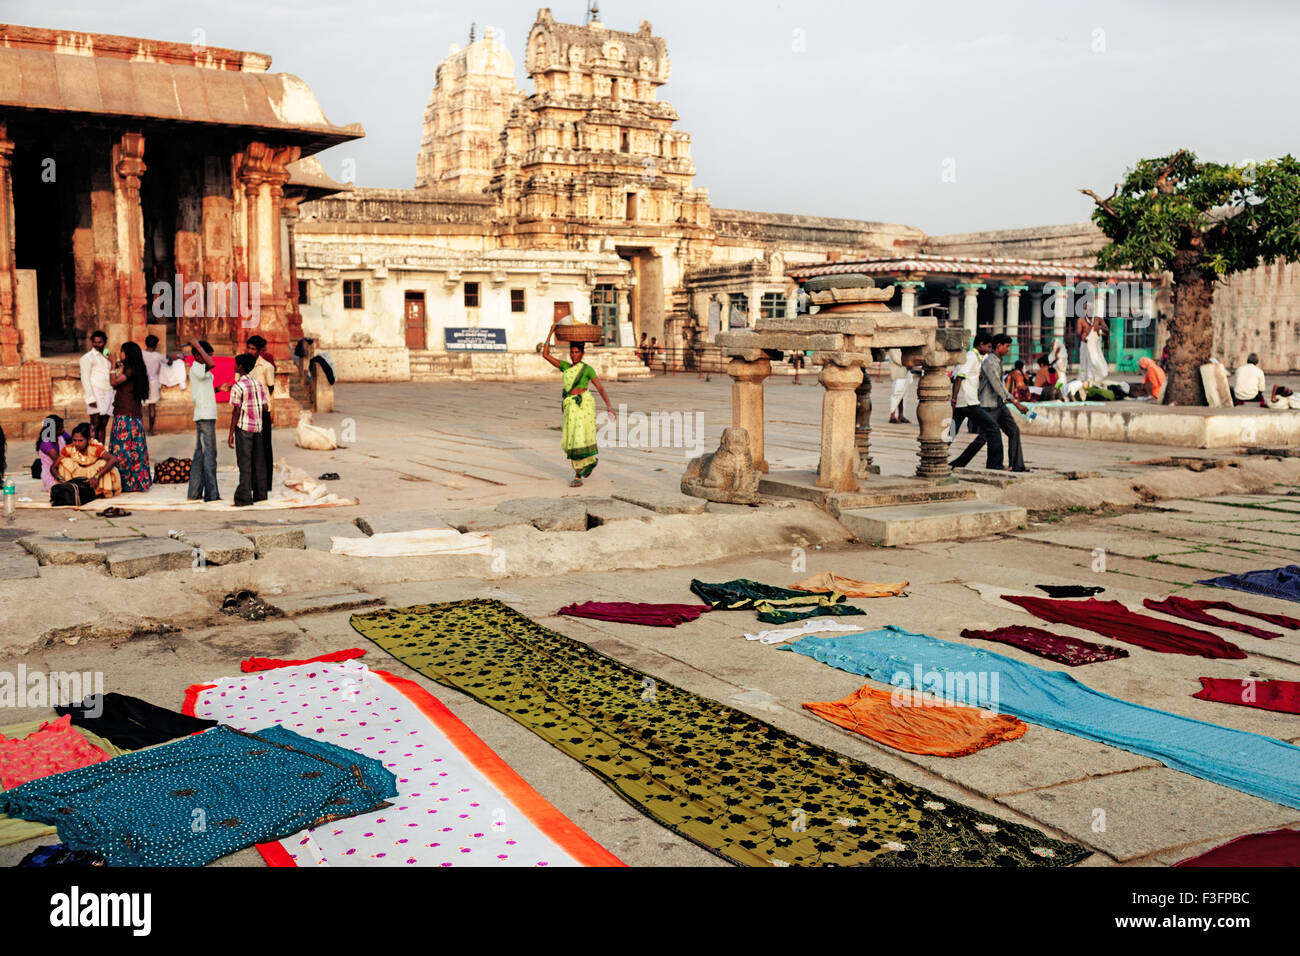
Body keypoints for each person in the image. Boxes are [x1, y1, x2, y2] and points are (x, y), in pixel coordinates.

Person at [542, 324, 615, 487]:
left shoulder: (587, 369)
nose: (574, 355)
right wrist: (550, 331)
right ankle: (586, 465)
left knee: (583, 438)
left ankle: (578, 475)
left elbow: (600, 388)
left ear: (582, 353)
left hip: (585, 406)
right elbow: (545, 355)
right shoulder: (566, 367)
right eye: (572, 352)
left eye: (577, 352)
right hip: (571, 406)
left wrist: (609, 407)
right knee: (573, 439)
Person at [954, 334, 1029, 471]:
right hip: (988, 404)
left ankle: (1016, 466)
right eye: (1006, 346)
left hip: (999, 404)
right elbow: (997, 385)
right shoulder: (989, 362)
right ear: (998, 346)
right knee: (984, 437)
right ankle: (959, 463)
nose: (1008, 350)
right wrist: (1015, 402)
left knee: (1013, 431)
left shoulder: (994, 360)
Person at [108, 341, 152, 493]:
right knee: (133, 450)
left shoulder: (130, 370)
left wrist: (113, 365)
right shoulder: (134, 368)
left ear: (127, 354)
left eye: (122, 352)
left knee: (124, 451)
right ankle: (135, 481)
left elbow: (114, 382)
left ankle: (127, 482)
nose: (120, 354)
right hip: (130, 414)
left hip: (126, 416)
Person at [227, 353, 270, 507]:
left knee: (244, 463)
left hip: (244, 428)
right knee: (259, 462)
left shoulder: (238, 386)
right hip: (258, 428)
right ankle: (261, 494)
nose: (234, 366)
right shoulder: (258, 384)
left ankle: (244, 497)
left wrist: (231, 433)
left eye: (236, 364)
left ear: (240, 367)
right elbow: (265, 407)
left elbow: (236, 411)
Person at [187, 339, 221, 502]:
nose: (210, 358)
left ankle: (193, 493)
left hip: (205, 414)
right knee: (209, 455)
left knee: (200, 455)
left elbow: (203, 389)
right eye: (207, 355)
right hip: (204, 415)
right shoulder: (197, 367)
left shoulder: (201, 370)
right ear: (198, 356)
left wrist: (219, 389)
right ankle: (212, 494)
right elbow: (211, 363)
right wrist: (198, 346)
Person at [56, 423, 121, 499]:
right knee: (64, 462)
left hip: (94, 474)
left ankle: (100, 492)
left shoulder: (95, 448)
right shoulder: (68, 448)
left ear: (88, 440)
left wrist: (96, 477)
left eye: (80, 440)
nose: (77, 444)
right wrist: (61, 479)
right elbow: (53, 467)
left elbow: (113, 459)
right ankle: (70, 489)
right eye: (74, 440)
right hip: (77, 475)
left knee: (103, 463)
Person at [245, 335, 277, 491]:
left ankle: (266, 483)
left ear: (259, 350)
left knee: (265, 448)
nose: (250, 351)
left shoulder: (266, 367)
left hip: (262, 411)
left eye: (253, 349)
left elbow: (271, 389)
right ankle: (251, 481)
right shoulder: (242, 364)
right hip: (247, 411)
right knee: (249, 448)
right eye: (249, 348)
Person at [949, 332, 993, 443]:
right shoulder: (971, 357)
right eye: (988, 347)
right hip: (968, 401)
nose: (989, 350)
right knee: (992, 426)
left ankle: (941, 450)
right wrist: (954, 399)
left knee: (952, 431)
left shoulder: (978, 358)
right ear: (981, 344)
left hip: (964, 401)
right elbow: (959, 378)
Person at [79, 330, 113, 444]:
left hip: (108, 392)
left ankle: (102, 451)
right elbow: (85, 379)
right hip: (95, 392)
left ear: (105, 342)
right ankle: (93, 452)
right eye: (95, 342)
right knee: (95, 425)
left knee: (103, 425)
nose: (97, 344)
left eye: (100, 342)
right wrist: (90, 398)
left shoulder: (107, 356)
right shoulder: (87, 358)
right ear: (92, 342)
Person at [35, 414, 72, 492]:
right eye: (60, 429)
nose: (63, 430)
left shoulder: (60, 435)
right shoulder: (46, 443)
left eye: (63, 428)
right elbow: (60, 461)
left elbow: (73, 439)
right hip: (51, 476)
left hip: (62, 470)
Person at [141, 334, 165, 435]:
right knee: (152, 407)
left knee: (138, 407)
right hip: (153, 382)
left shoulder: (140, 353)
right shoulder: (159, 356)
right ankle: (151, 430)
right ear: (155, 345)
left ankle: (138, 430)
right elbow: (169, 363)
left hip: (142, 381)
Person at [1077, 310, 1109, 384]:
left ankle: (1092, 379)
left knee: (1094, 362)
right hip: (1085, 344)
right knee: (1084, 363)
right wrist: (1083, 336)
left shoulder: (1098, 320)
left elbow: (1107, 331)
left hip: (1094, 346)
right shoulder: (1081, 320)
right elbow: (1078, 333)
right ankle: (1084, 379)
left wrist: (1099, 327)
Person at [887, 348, 910, 423]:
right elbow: (898, 360)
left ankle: (901, 415)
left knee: (903, 396)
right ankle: (892, 415)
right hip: (898, 375)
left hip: (905, 373)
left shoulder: (901, 348)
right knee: (896, 395)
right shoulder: (893, 349)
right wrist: (909, 363)